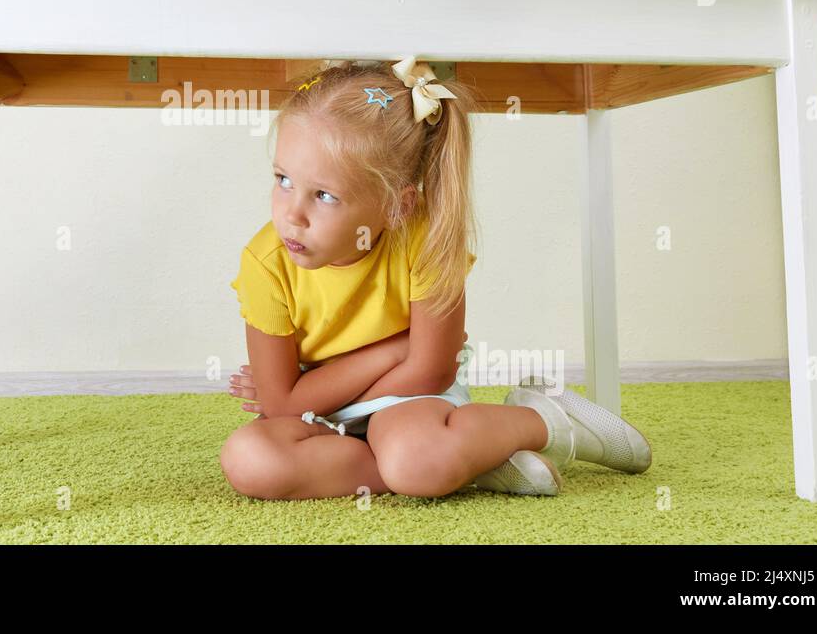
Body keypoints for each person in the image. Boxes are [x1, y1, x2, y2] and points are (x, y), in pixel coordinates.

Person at [220, 56, 651, 500]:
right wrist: (397, 349)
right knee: (251, 460)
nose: (292, 215)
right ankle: (477, 461)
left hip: (407, 400)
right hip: (322, 416)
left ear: (397, 206)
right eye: (283, 180)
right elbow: (282, 406)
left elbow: (430, 371)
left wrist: (314, 390)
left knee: (415, 463)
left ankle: (540, 420)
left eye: (325, 195)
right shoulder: (265, 262)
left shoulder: (425, 239)